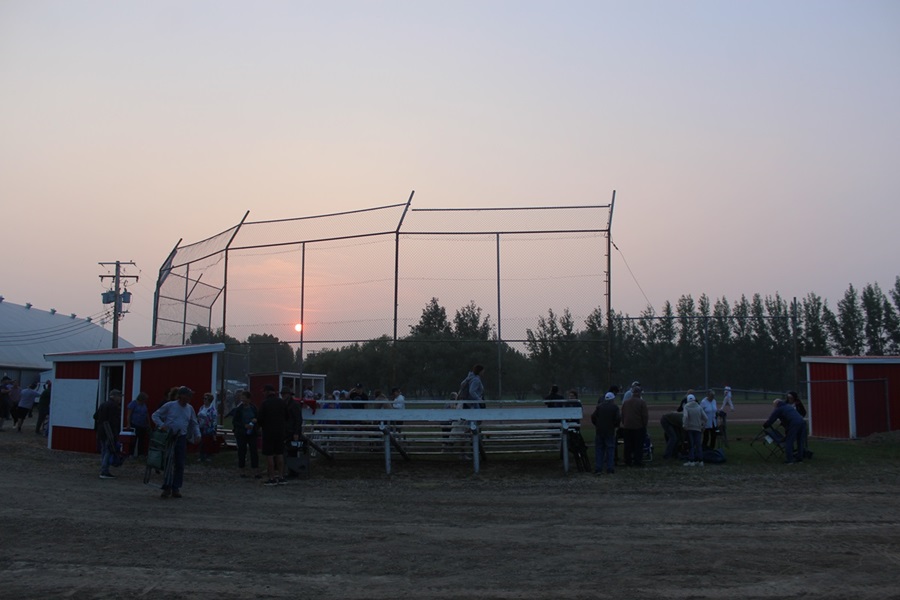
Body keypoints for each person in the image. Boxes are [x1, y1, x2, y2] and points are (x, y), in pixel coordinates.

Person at [151, 386, 201, 498]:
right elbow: (155, 415)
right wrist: (162, 425)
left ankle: (176, 487)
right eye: (188, 395)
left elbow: (194, 423)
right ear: (182, 396)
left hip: (181, 437)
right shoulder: (170, 406)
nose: (190, 398)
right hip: (170, 437)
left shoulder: (190, 408)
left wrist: (198, 434)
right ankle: (167, 487)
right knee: (168, 463)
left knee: (180, 463)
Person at [257, 384, 287, 486]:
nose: (263, 393)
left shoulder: (265, 403)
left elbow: (260, 418)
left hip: (268, 432)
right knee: (280, 453)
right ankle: (281, 477)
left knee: (269, 455)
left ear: (267, 392)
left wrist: (260, 426)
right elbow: (286, 416)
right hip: (280, 431)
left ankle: (272, 478)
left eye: (264, 391)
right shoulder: (282, 402)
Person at [765, 398, 806, 464]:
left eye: (774, 405)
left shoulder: (779, 409)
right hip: (802, 422)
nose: (774, 407)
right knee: (800, 441)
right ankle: (799, 458)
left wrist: (765, 425)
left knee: (789, 441)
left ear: (776, 404)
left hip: (794, 423)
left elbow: (771, 419)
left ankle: (790, 460)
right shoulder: (788, 406)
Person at [95, 389, 123, 479]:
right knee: (108, 450)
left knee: (104, 450)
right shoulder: (114, 406)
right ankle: (104, 471)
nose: (120, 399)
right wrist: (115, 434)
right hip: (109, 431)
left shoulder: (103, 404)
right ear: (114, 396)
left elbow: (95, 416)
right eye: (119, 396)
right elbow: (114, 422)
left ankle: (103, 469)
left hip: (101, 430)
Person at [230, 390, 259, 475]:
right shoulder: (239, 409)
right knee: (242, 451)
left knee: (254, 450)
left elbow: (258, 417)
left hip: (252, 432)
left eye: (244, 398)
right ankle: (242, 469)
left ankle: (255, 469)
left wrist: (255, 421)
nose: (243, 400)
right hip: (241, 433)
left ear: (249, 399)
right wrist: (244, 425)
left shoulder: (253, 408)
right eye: (242, 398)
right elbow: (235, 422)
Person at [591, 392, 620, 474]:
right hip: (610, 431)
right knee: (610, 449)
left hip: (599, 431)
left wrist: (597, 424)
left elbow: (593, 417)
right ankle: (610, 468)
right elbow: (618, 418)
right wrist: (615, 425)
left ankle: (598, 468)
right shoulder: (615, 408)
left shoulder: (599, 407)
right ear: (612, 399)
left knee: (599, 449)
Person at [620, 385, 649, 467]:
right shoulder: (642, 402)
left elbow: (622, 415)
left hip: (627, 427)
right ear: (639, 393)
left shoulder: (626, 402)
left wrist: (624, 423)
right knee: (638, 445)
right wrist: (644, 425)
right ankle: (637, 461)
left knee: (628, 445)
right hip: (638, 427)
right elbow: (644, 415)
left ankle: (628, 461)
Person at [681, 393, 707, 466]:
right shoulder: (699, 407)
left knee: (691, 445)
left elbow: (685, 416)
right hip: (698, 428)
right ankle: (700, 461)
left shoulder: (686, 407)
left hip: (689, 428)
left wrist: (684, 425)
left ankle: (691, 460)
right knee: (698, 445)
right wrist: (702, 425)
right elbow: (705, 418)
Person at [126, 392, 151, 456]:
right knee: (133, 440)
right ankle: (131, 454)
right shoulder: (133, 404)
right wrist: (128, 424)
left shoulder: (144, 405)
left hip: (143, 425)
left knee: (141, 440)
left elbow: (146, 414)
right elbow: (129, 415)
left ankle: (140, 454)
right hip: (134, 424)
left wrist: (148, 423)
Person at [197, 392, 218, 463]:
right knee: (201, 442)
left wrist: (213, 430)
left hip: (208, 428)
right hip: (201, 427)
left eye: (205, 399)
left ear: (209, 400)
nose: (204, 400)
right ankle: (201, 456)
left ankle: (208, 456)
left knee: (207, 442)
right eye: (203, 398)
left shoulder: (212, 410)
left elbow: (213, 420)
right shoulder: (202, 407)